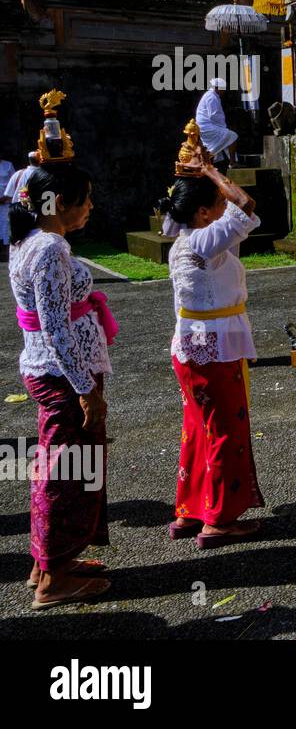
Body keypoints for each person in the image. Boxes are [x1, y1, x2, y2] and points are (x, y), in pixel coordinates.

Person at [9, 163, 116, 610]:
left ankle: (52, 563)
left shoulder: (29, 239)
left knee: (64, 470)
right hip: (61, 376)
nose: (90, 206)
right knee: (63, 476)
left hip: (54, 373)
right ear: (60, 204)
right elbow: (56, 328)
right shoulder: (50, 247)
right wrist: (84, 389)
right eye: (85, 198)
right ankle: (52, 580)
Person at [160, 156, 265, 548]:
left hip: (191, 348)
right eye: (216, 204)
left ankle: (193, 509)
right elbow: (246, 205)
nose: (224, 207)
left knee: (199, 431)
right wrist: (209, 172)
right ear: (203, 212)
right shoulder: (203, 239)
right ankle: (218, 519)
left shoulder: (183, 239)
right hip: (213, 348)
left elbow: (235, 213)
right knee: (225, 431)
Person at [196, 77, 238, 171]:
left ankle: (215, 163)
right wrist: (223, 127)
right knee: (233, 136)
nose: (224, 92)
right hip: (207, 127)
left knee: (224, 138)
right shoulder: (212, 97)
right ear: (218, 88)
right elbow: (214, 115)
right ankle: (232, 163)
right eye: (223, 89)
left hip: (206, 126)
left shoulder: (211, 95)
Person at [0, 154, 13, 259]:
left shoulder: (8, 165)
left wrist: (5, 197)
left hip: (5, 200)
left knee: (6, 225)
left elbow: (13, 182)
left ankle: (6, 251)